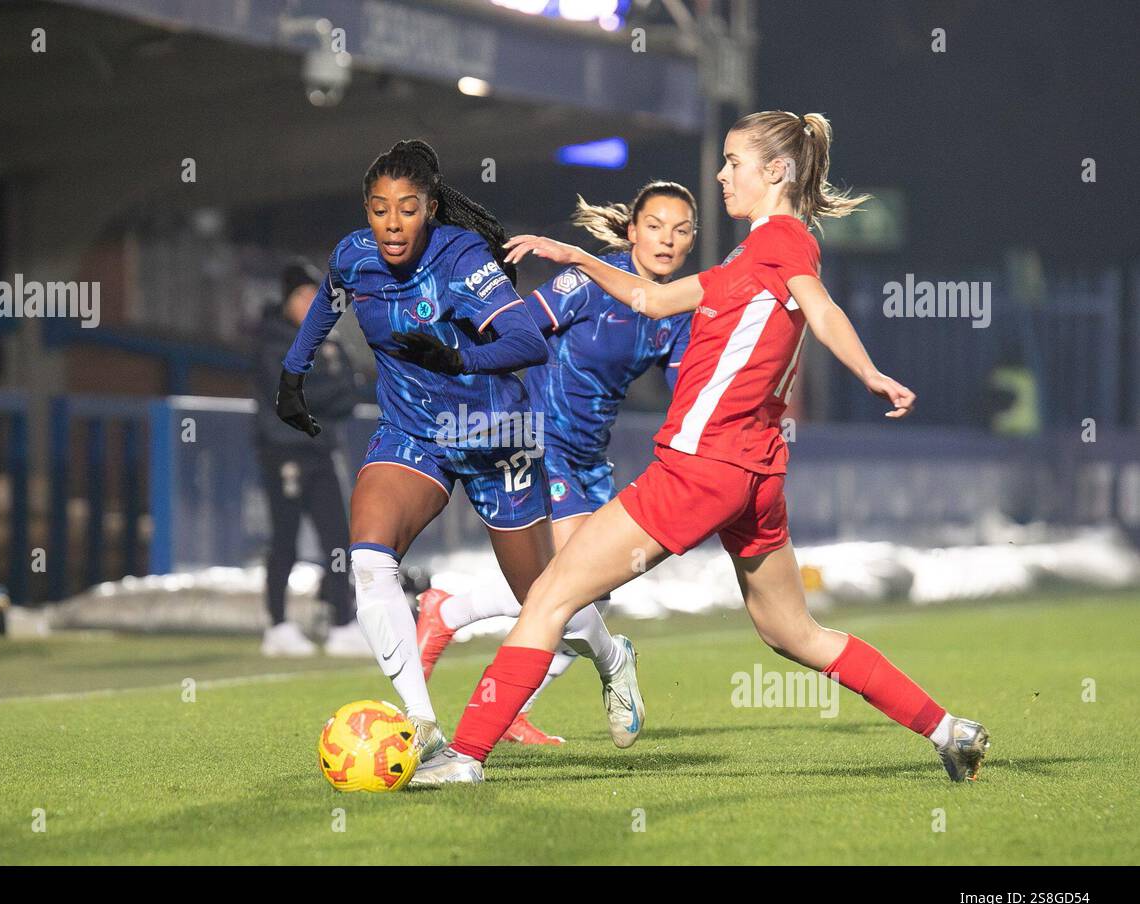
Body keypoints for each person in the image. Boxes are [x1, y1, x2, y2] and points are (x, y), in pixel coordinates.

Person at [412, 111, 990, 787]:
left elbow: (820, 307)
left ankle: (466, 757)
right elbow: (650, 301)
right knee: (793, 634)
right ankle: (950, 732)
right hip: (755, 474)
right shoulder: (748, 263)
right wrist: (576, 257)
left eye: (733, 162)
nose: (721, 175)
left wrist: (869, 373)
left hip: (699, 470)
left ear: (775, 172)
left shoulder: (781, 242)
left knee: (549, 597)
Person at [279, 139, 643, 762]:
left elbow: (528, 340)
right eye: (379, 208)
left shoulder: (462, 259)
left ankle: (612, 657)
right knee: (369, 560)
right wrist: (293, 372)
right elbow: (330, 298)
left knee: (542, 599)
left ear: (431, 208)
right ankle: (423, 730)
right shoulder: (354, 255)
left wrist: (457, 357)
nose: (392, 224)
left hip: (493, 432)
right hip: (412, 432)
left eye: (408, 208)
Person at [415, 182, 697, 746]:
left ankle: (459, 620)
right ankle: (462, 624)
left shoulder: (677, 309)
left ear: (693, 241)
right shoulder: (588, 280)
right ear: (632, 230)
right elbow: (522, 327)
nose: (667, 238)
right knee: (566, 590)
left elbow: (686, 389)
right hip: (541, 442)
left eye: (681, 229)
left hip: (590, 455)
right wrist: (456, 358)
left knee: (582, 595)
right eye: (656, 225)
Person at [253, 258, 368, 657]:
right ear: (287, 299)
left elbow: (352, 394)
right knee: (284, 540)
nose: (310, 304)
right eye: (303, 296)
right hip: (284, 452)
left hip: (320, 451)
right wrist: (331, 386)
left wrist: (328, 388)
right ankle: (277, 625)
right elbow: (294, 395)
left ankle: (341, 622)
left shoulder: (326, 339)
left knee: (337, 538)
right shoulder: (271, 339)